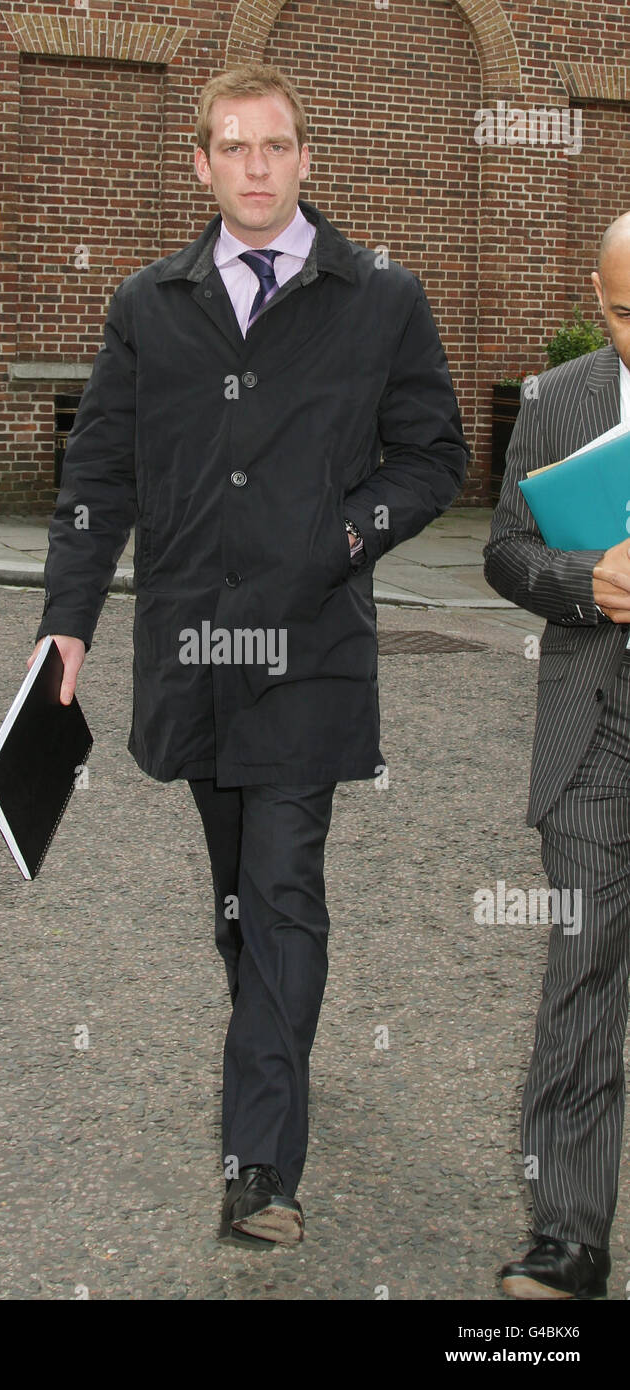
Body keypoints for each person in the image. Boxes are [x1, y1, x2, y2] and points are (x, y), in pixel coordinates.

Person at [29, 61, 468, 1245]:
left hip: (311, 651)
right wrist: (65, 623)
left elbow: (434, 454)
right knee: (236, 907)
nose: (256, 166)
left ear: (305, 157)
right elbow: (95, 477)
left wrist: (343, 531)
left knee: (280, 890)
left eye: (275, 145)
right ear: (202, 164)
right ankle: (269, 1046)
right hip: (193, 654)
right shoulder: (148, 303)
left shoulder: (379, 296)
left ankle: (261, 1164)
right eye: (234, 147)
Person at [484, 211, 630, 1298]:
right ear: (593, 294)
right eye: (626, 314)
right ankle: (567, 1234)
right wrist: (583, 581)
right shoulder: (552, 404)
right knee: (580, 968)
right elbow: (503, 551)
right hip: (594, 729)